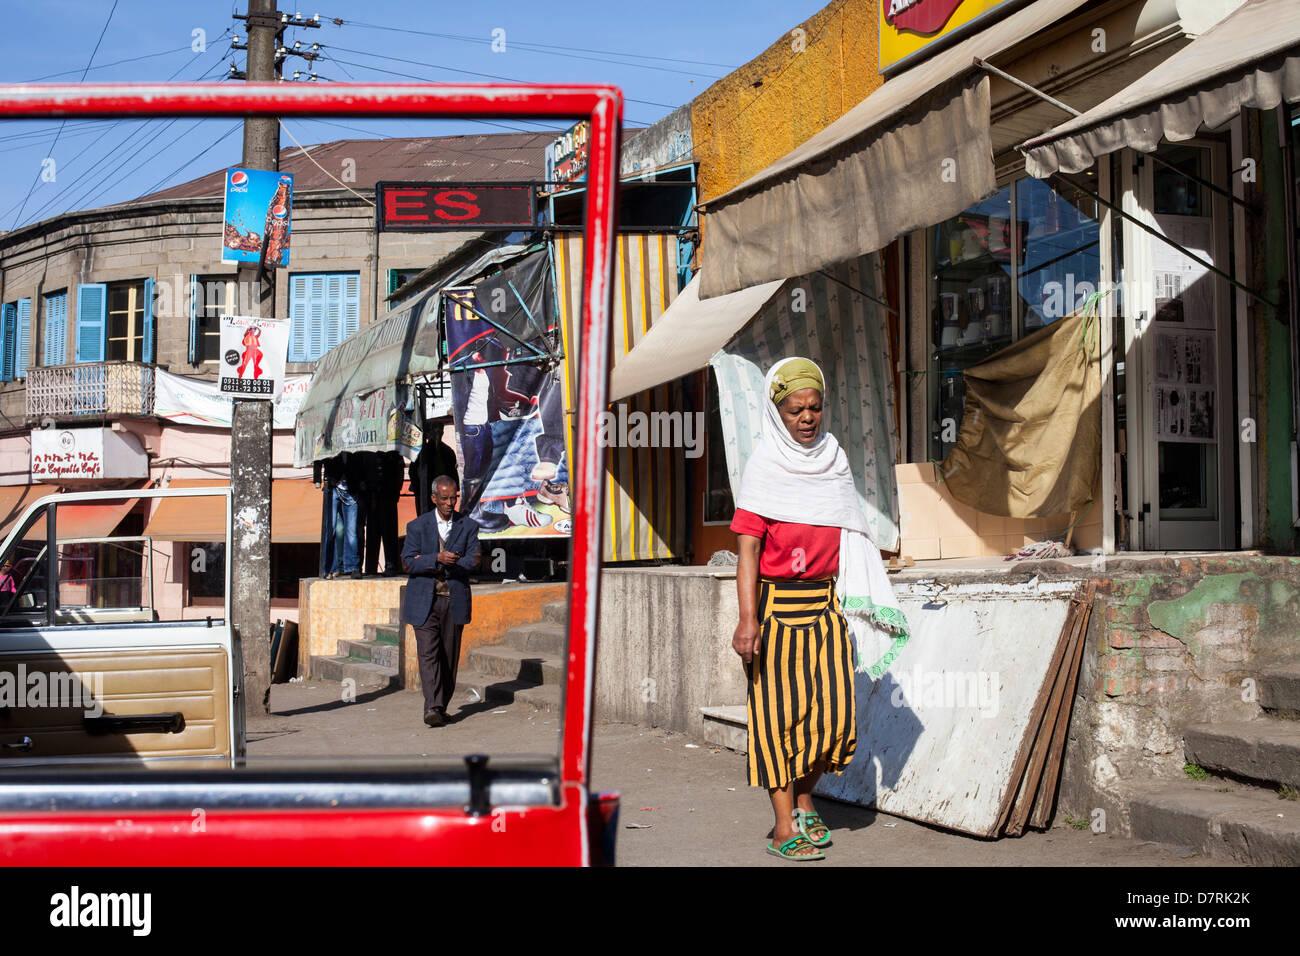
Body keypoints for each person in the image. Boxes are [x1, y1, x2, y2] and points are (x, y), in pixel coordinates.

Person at [730, 356, 908, 862]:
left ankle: (805, 800)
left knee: (830, 720)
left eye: (814, 408)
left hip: (826, 609)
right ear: (775, 411)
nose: (806, 418)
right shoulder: (764, 465)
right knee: (778, 719)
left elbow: (849, 526)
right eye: (794, 410)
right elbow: (747, 552)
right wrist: (748, 620)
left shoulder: (833, 457)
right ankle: (784, 826)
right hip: (777, 611)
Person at [401, 475, 481, 728]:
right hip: (424, 602)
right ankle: (432, 707)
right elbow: (407, 561)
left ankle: (441, 705)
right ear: (434, 498)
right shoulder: (417, 526)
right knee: (428, 655)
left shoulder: (468, 526)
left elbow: (474, 559)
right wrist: (435, 558)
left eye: (454, 498)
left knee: (448, 657)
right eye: (444, 499)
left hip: (453, 600)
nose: (450, 503)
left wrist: (453, 562)